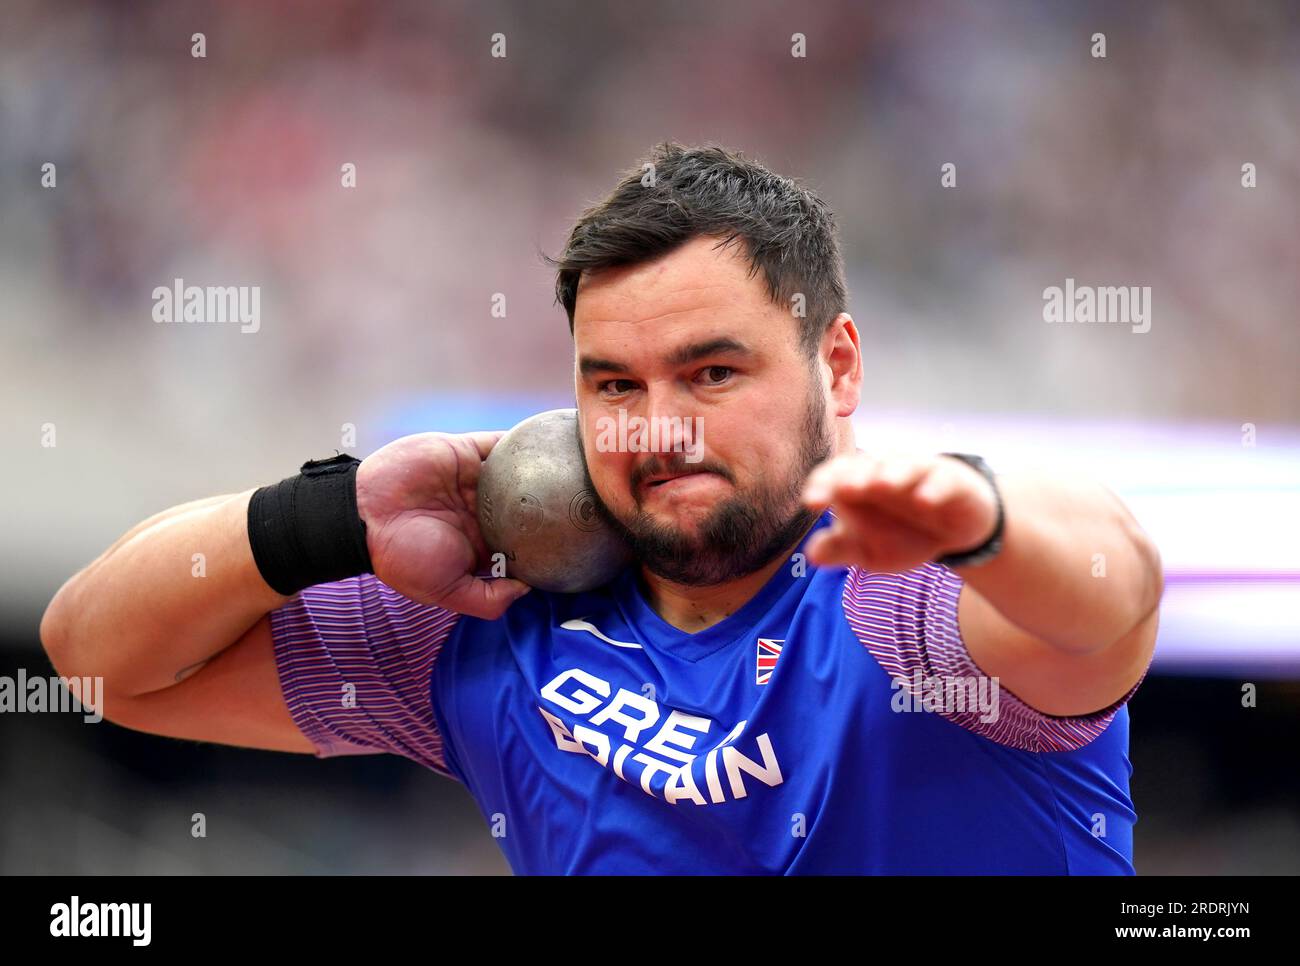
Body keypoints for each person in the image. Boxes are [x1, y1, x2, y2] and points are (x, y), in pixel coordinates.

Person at [40, 142, 1163, 874]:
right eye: (614, 383)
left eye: (712, 374)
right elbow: (103, 664)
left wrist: (981, 520)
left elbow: (1112, 591)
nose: (657, 425)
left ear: (840, 368)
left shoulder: (908, 604)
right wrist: (329, 518)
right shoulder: (500, 622)